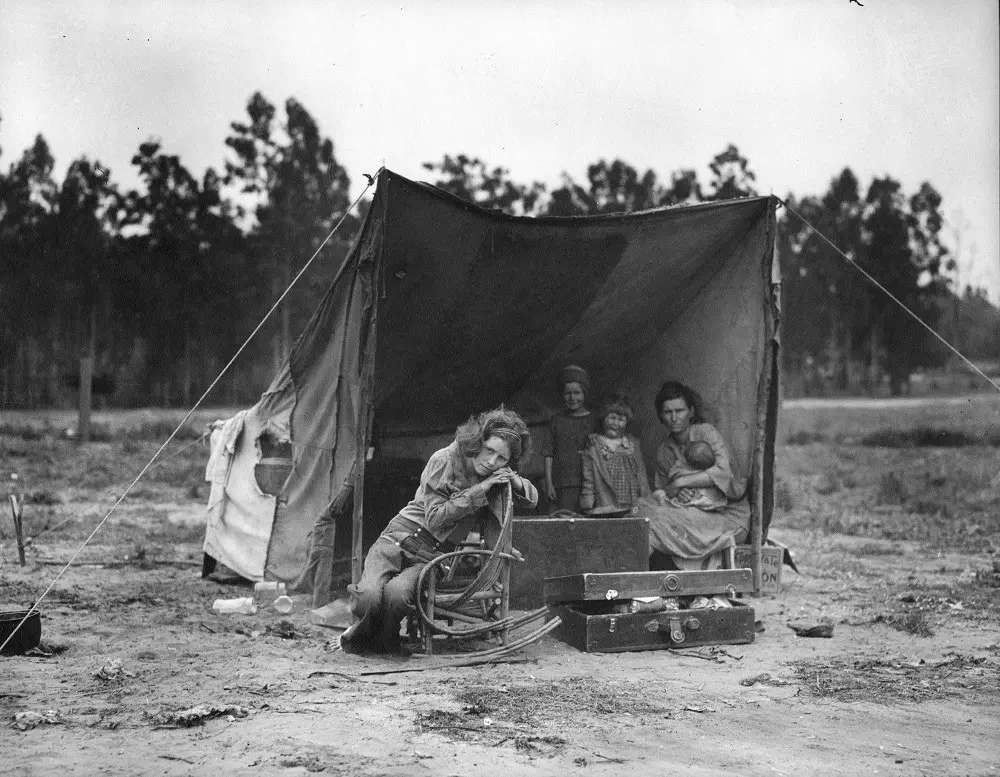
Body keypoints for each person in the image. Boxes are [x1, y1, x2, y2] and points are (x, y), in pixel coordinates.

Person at [340, 407, 538, 654]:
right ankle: (369, 637)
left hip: (433, 555)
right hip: (398, 537)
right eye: (489, 451)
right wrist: (479, 490)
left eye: (502, 459)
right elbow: (435, 519)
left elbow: (529, 499)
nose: (491, 462)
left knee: (397, 595)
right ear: (478, 441)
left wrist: (516, 480)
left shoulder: (496, 478)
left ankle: (384, 640)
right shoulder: (445, 459)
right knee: (368, 597)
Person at [634, 381, 751, 569]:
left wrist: (681, 481)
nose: (674, 418)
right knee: (640, 508)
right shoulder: (665, 451)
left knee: (651, 524)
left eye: (679, 411)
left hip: (727, 516)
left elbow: (723, 473)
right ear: (660, 416)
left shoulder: (706, 433)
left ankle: (635, 575)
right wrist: (677, 492)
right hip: (690, 512)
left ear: (691, 412)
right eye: (667, 412)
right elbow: (665, 491)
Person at [579, 394, 651, 513]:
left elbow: (641, 475)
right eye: (612, 418)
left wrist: (646, 497)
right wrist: (588, 502)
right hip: (606, 502)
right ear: (604, 418)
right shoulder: (594, 445)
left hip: (631, 502)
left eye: (621, 420)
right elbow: (588, 476)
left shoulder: (632, 444)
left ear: (627, 422)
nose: (615, 423)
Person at [542, 365, 596, 512]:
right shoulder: (557, 421)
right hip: (562, 485)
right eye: (568, 393)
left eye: (577, 393)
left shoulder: (594, 421)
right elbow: (548, 454)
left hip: (589, 485)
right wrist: (549, 484)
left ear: (584, 393)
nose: (572, 398)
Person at [659, 440, 728, 511]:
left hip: (693, 496)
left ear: (689, 464)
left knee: (662, 496)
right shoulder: (705, 470)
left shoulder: (680, 470)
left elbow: (672, 479)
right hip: (709, 498)